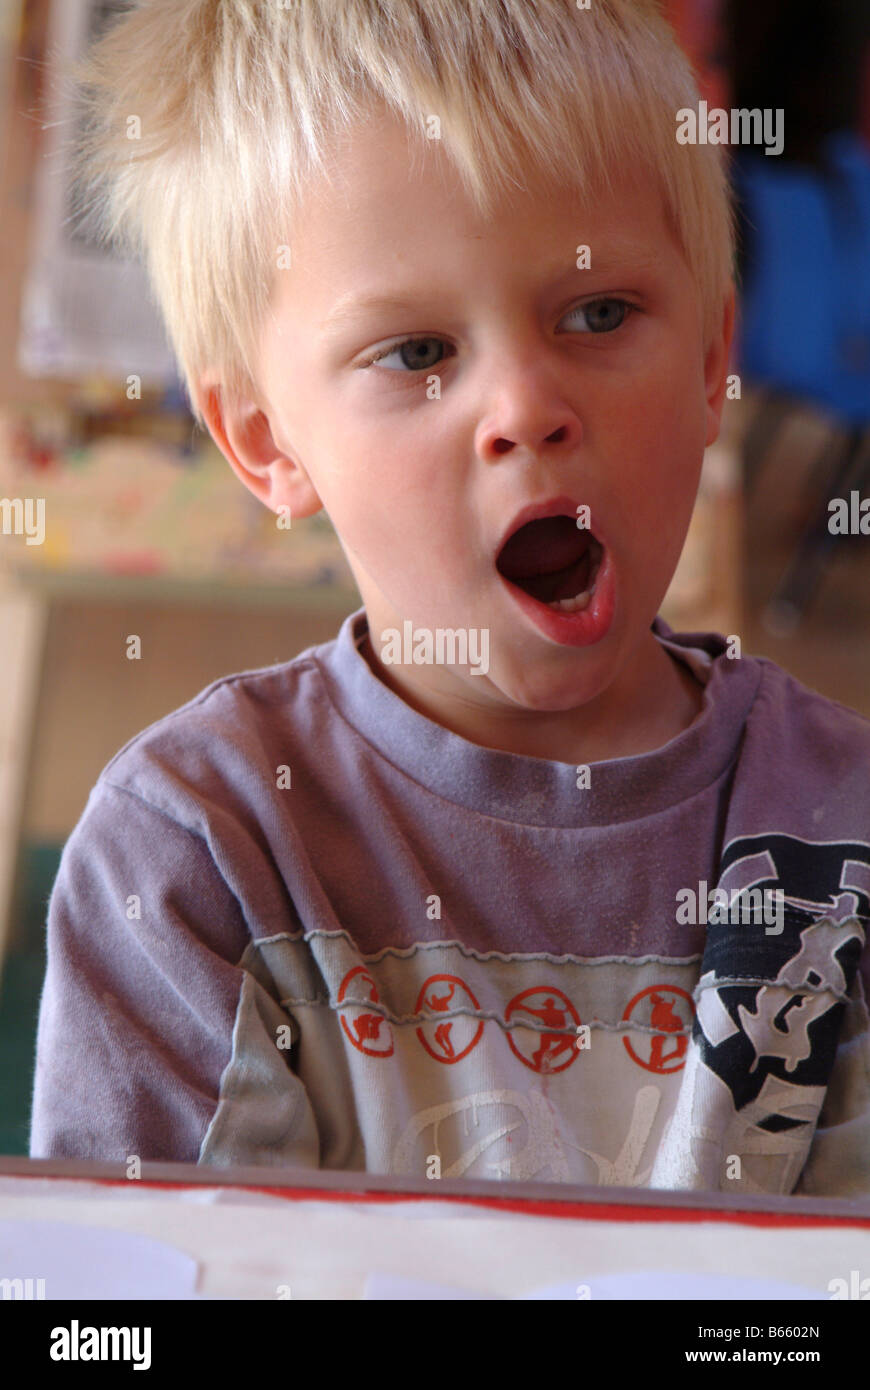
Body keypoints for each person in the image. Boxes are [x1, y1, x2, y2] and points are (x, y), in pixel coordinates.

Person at [30, 0, 870, 1195]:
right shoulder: (193, 854)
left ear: (707, 361)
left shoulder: (841, 839)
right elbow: (139, 1296)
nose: (527, 407)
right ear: (269, 442)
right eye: (418, 352)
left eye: (597, 313)